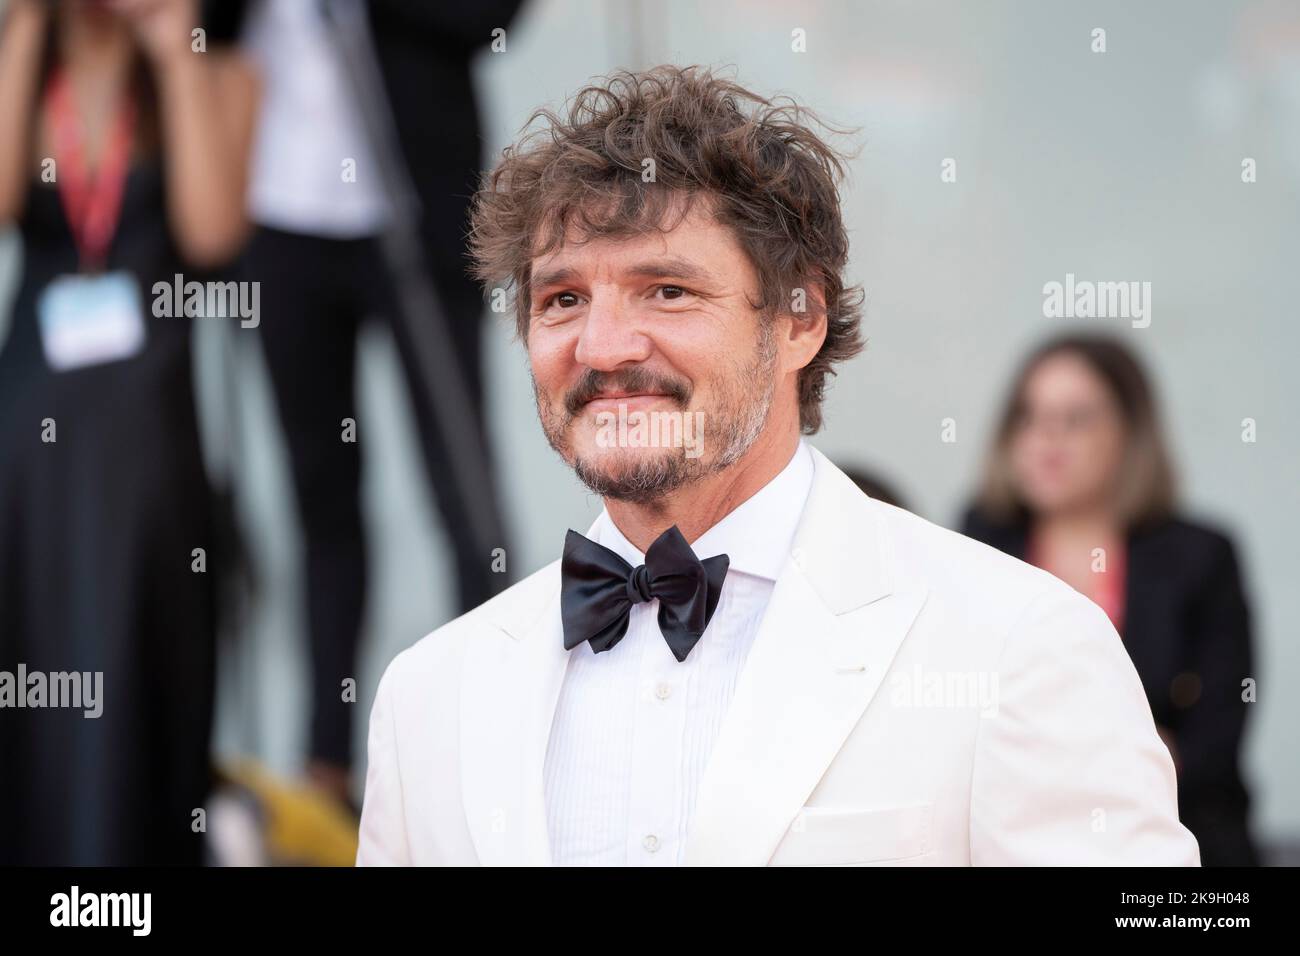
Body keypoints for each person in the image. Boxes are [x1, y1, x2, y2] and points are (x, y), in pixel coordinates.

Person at [355, 65, 1198, 866]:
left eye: (668, 291)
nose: (604, 346)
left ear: (800, 321)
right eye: (563, 299)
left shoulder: (1019, 645)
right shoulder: (430, 696)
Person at [234, 0, 521, 803]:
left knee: (464, 490)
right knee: (321, 498)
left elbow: (494, 17)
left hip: (418, 210)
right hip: (280, 214)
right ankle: (326, 765)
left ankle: (503, 734)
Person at [0, 0, 257, 864]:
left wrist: (174, 48)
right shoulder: (24, 66)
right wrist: (27, 26)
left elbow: (213, 231)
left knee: (143, 631)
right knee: (36, 636)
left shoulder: (218, 65)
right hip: (36, 417)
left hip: (150, 415)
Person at [961, 333, 1259, 866]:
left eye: (1076, 418)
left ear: (1130, 434)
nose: (1046, 439)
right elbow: (957, 722)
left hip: (1179, 844)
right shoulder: (980, 541)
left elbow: (1213, 739)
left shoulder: (1201, 556)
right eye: (1029, 416)